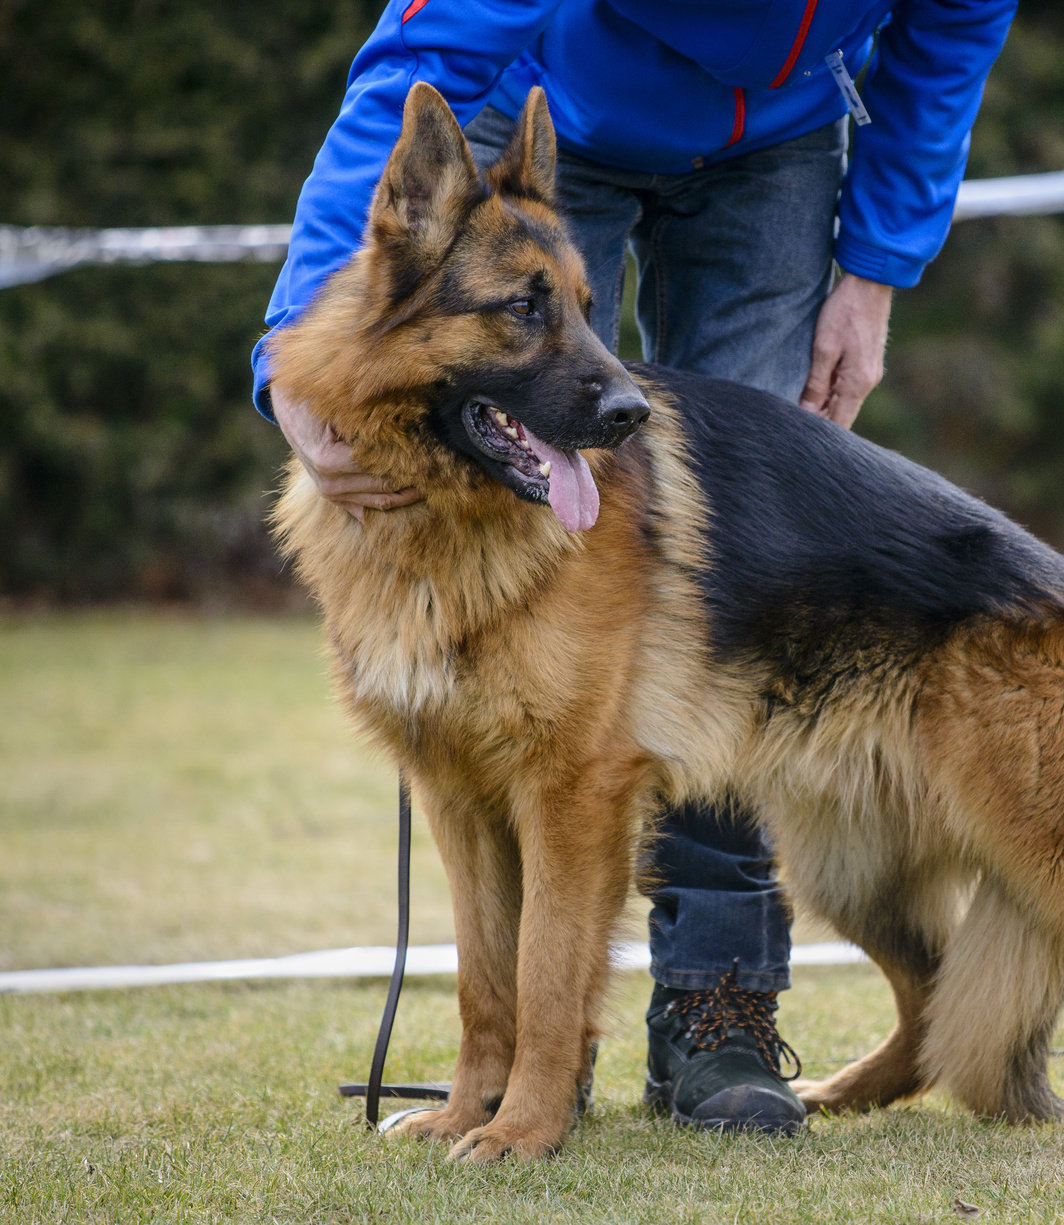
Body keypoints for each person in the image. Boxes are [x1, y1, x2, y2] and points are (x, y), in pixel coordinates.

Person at [256, 0, 1017, 1136]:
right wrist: (291, 351)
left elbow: (950, 32)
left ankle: (720, 1013)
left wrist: (877, 264)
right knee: (520, 458)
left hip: (784, 146)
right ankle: (502, 1063)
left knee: (730, 613)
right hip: (571, 116)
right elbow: (421, 55)